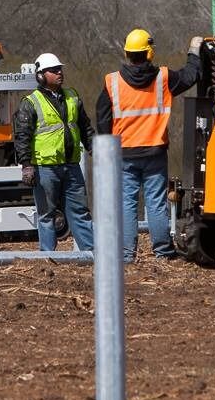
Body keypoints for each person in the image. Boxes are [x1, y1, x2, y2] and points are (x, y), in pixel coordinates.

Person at [96, 29, 202, 262]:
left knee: (127, 203)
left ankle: (126, 254)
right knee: (155, 202)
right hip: (154, 151)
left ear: (127, 53)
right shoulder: (163, 78)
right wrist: (194, 52)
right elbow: (191, 75)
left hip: (124, 154)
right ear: (149, 52)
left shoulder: (111, 82)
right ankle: (162, 251)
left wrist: (107, 153)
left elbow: (102, 120)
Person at [13, 52, 95, 252]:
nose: (60, 73)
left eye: (60, 69)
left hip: (71, 165)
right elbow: (22, 136)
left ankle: (92, 256)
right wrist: (26, 165)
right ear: (41, 75)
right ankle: (48, 257)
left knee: (80, 212)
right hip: (45, 168)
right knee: (47, 214)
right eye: (54, 70)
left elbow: (85, 128)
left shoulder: (73, 97)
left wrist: (96, 150)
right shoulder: (30, 102)